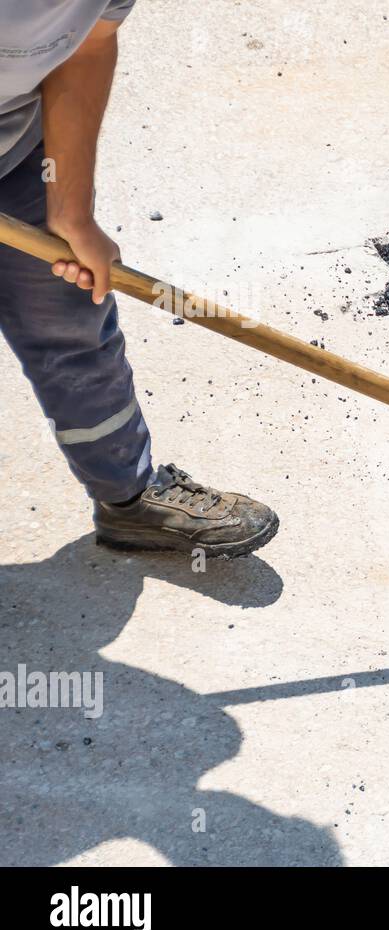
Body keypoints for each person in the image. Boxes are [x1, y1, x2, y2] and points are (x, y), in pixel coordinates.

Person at [0, 1, 277, 557]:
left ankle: (129, 498)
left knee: (71, 321)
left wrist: (70, 210)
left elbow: (86, 47)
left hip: (13, 148)